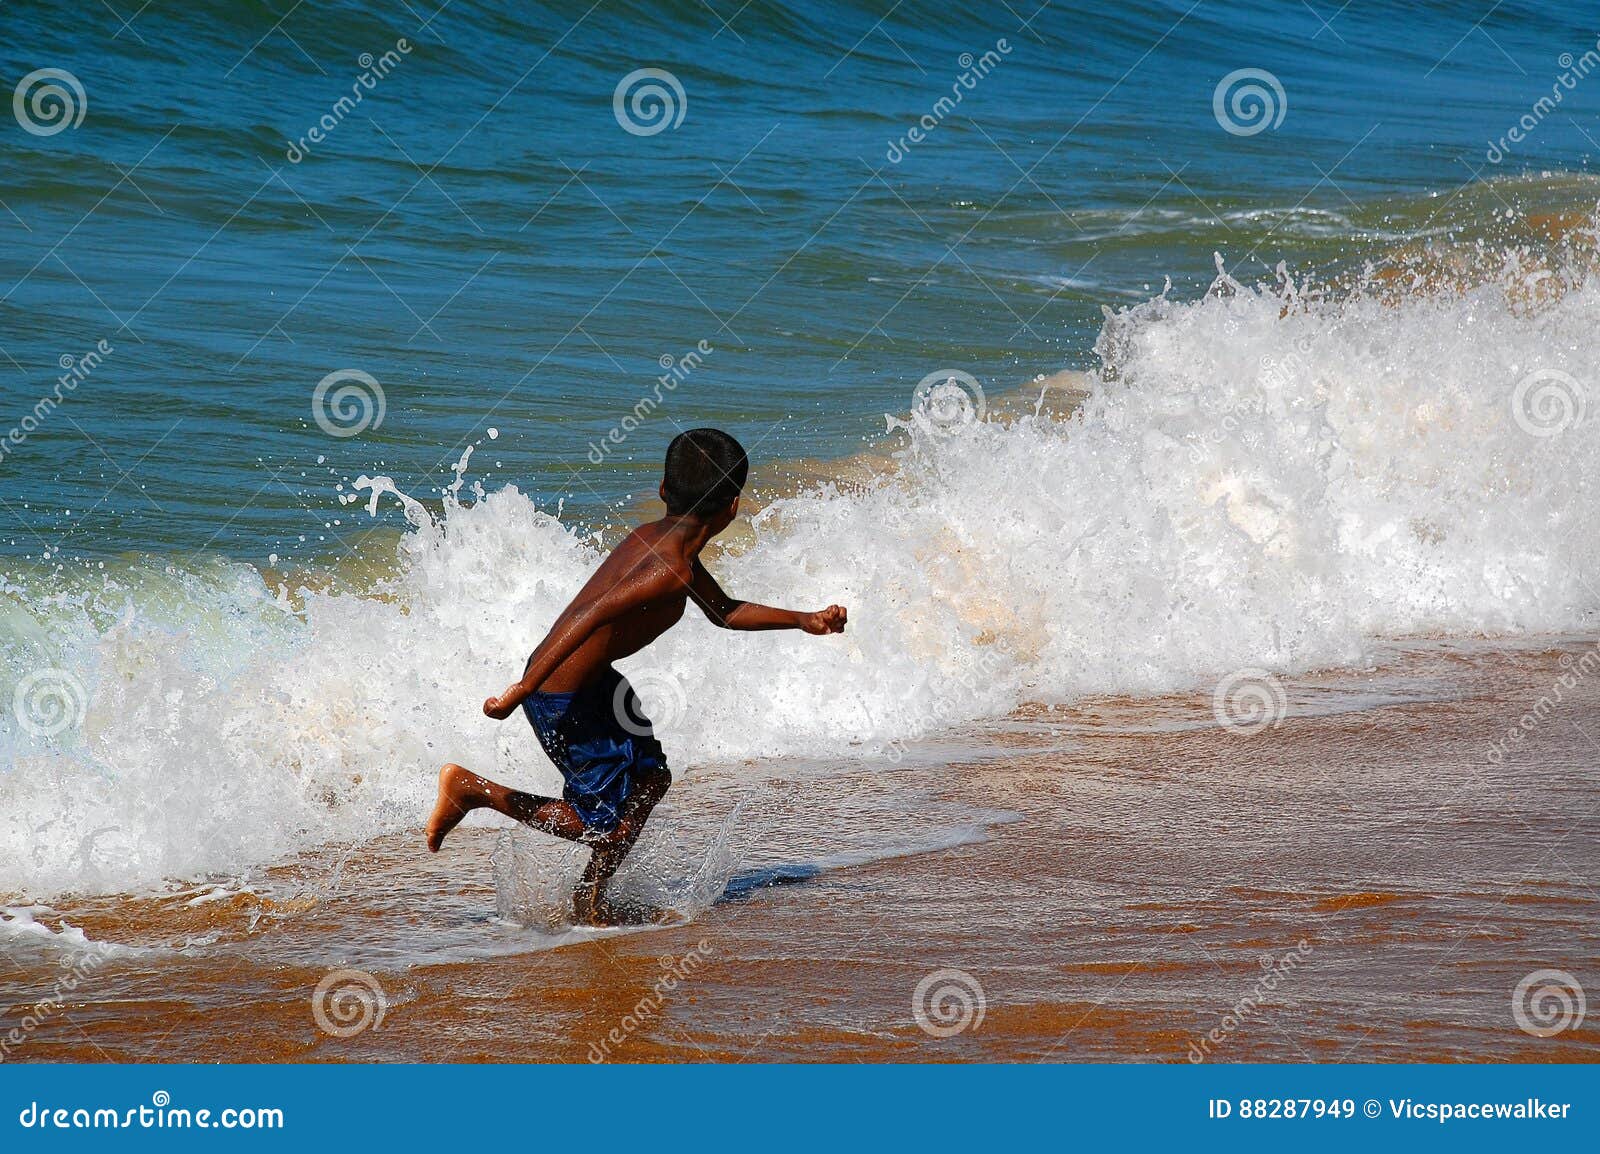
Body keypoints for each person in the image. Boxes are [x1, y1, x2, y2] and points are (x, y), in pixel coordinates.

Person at [425, 428, 848, 924]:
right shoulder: (667, 565)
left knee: (651, 779)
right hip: (559, 697)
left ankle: (590, 897)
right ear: (733, 506)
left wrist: (803, 619)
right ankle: (475, 791)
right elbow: (591, 616)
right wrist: (522, 689)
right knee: (599, 824)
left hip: (596, 685)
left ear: (664, 491)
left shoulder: (668, 549)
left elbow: (725, 612)